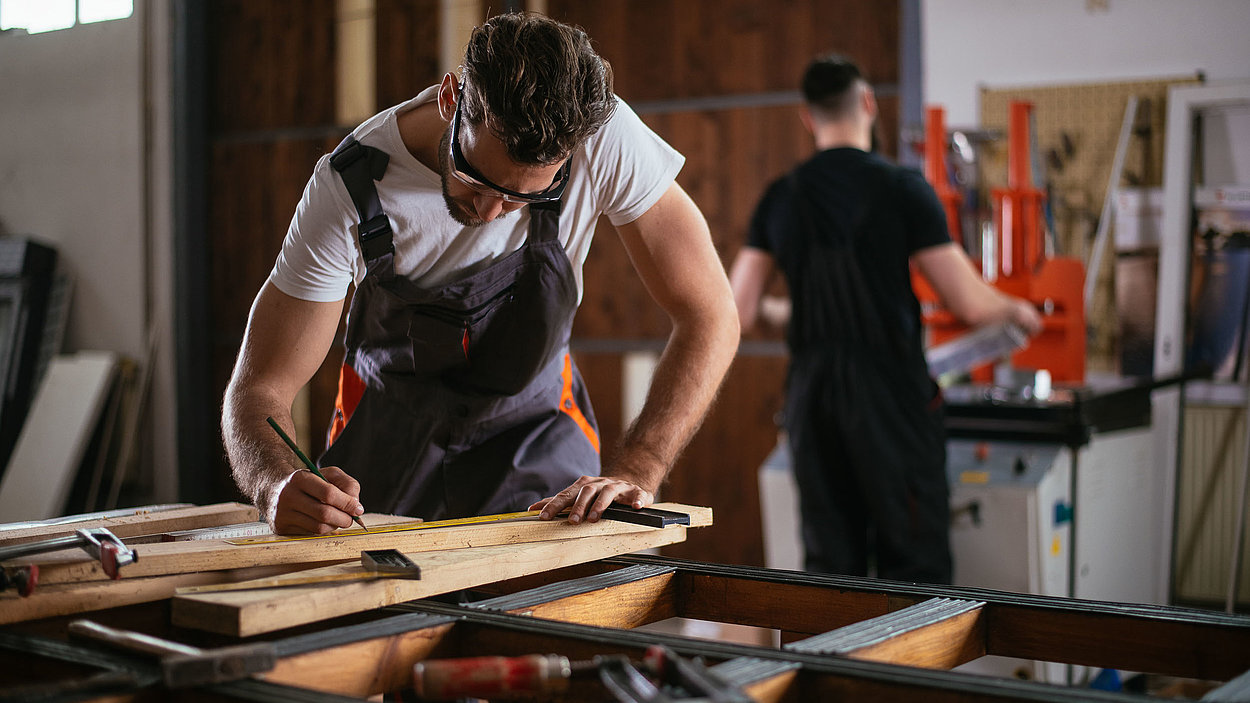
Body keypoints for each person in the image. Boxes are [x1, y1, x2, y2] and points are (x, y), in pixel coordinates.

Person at [224, 12, 739, 536]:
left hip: (536, 441)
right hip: (386, 450)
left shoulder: (603, 139)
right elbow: (259, 389)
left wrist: (638, 469)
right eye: (477, 180)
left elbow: (710, 315)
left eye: (525, 196)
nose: (492, 212)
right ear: (451, 99)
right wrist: (276, 485)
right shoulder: (349, 189)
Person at [728, 55, 1041, 584]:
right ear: (868, 103)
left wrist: (800, 311)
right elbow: (969, 304)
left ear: (808, 118)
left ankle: (833, 666)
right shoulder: (902, 188)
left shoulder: (782, 197)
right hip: (889, 396)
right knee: (914, 563)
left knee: (831, 569)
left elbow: (738, 308)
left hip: (813, 398)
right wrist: (1020, 311)